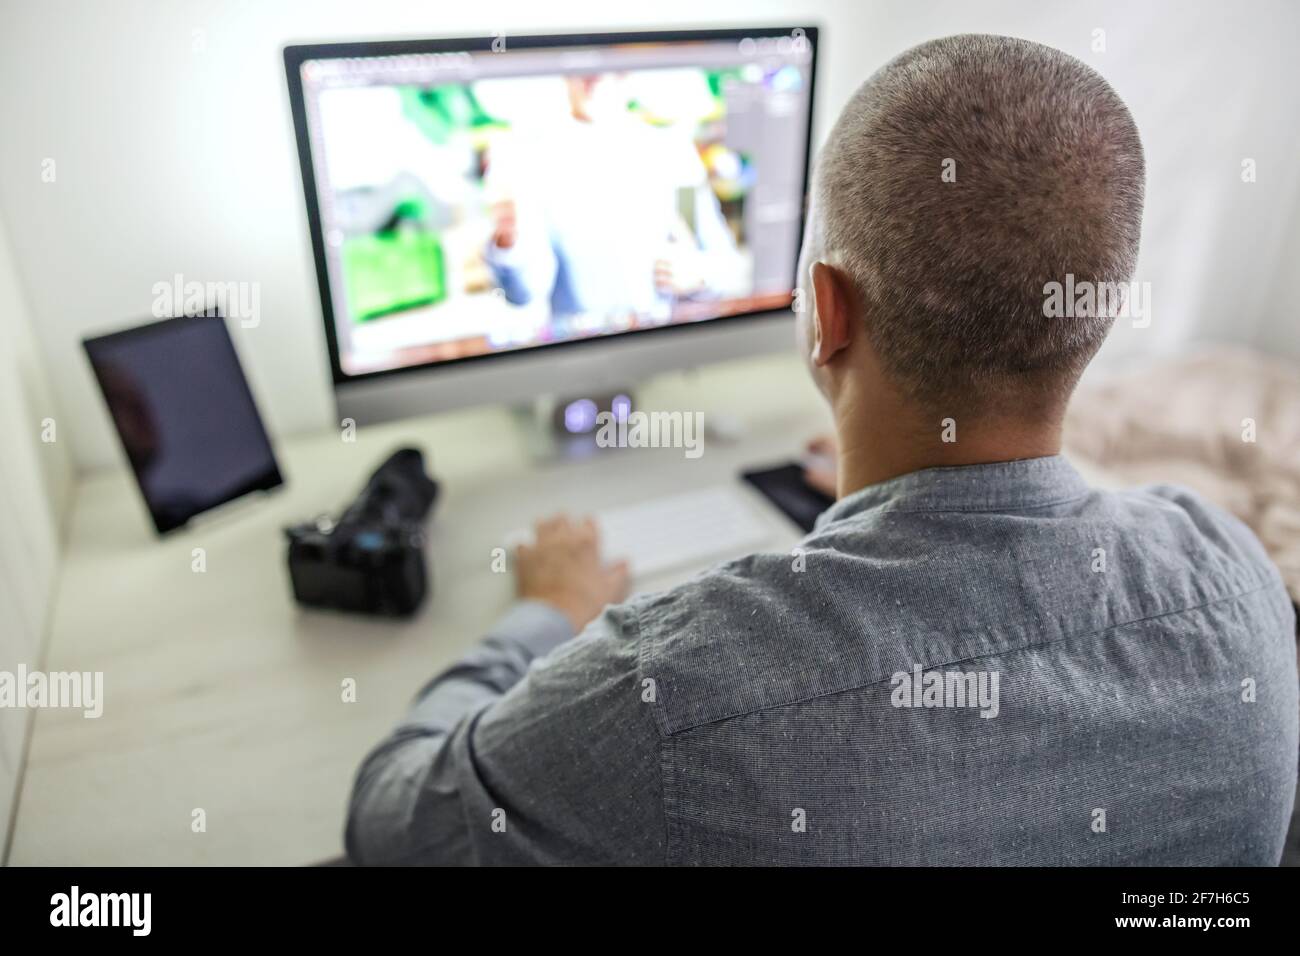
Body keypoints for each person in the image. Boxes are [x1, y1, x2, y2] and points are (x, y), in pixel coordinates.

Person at [345, 35, 1298, 865]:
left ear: (827, 311)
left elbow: (394, 824)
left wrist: (547, 612)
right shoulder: (1241, 583)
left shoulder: (672, 693)